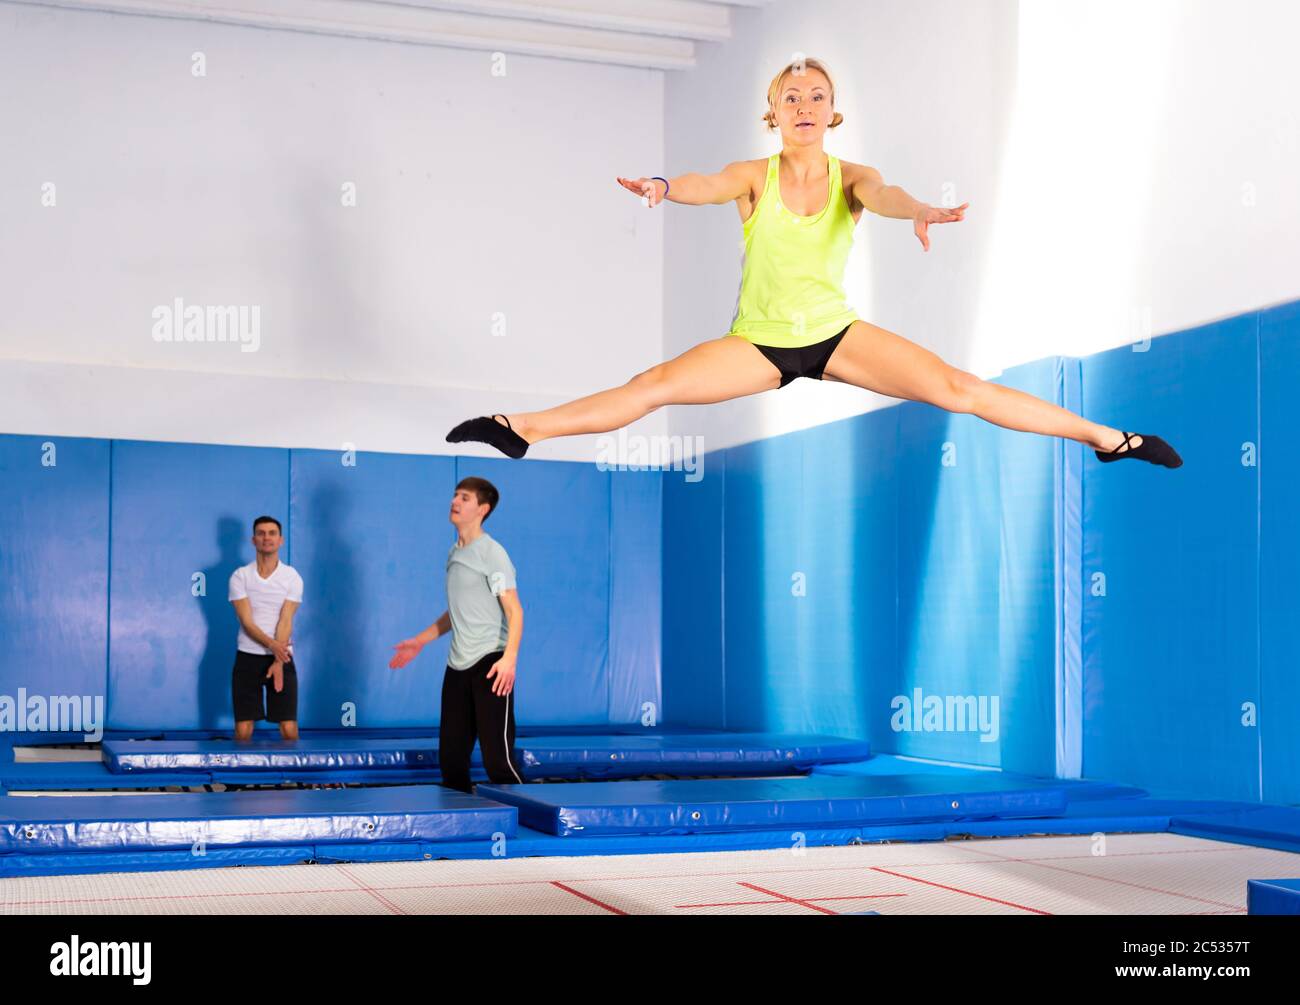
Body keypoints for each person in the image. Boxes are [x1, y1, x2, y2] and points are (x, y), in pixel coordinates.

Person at [447, 56, 1181, 469]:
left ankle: (1104, 437)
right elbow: (706, 185)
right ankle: (525, 428)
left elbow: (884, 194)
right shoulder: (755, 175)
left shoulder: (849, 175)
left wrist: (920, 208)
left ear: (832, 113)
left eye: (817, 96)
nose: (804, 103)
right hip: (759, 343)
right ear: (773, 113)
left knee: (960, 387)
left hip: (835, 335)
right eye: (790, 95)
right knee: (654, 385)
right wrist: (666, 187)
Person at [389, 477, 525, 793]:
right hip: (457, 667)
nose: (455, 501)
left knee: (498, 761)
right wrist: (420, 640)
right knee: (451, 760)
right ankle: (458, 826)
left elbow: (514, 611)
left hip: (492, 664)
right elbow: (459, 611)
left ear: (482, 509)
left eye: (464, 497)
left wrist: (509, 659)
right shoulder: (455, 552)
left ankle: (527, 826)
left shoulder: (492, 553)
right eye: (455, 495)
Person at [228, 515, 303, 741]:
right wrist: (273, 646)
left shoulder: (292, 577)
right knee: (243, 728)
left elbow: (286, 619)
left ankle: (292, 776)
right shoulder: (240, 576)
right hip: (247, 657)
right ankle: (239, 777)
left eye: (272, 533)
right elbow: (247, 622)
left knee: (288, 727)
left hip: (282, 657)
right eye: (261, 533)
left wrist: (278, 661)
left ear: (280, 540)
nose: (266, 538)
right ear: (253, 540)